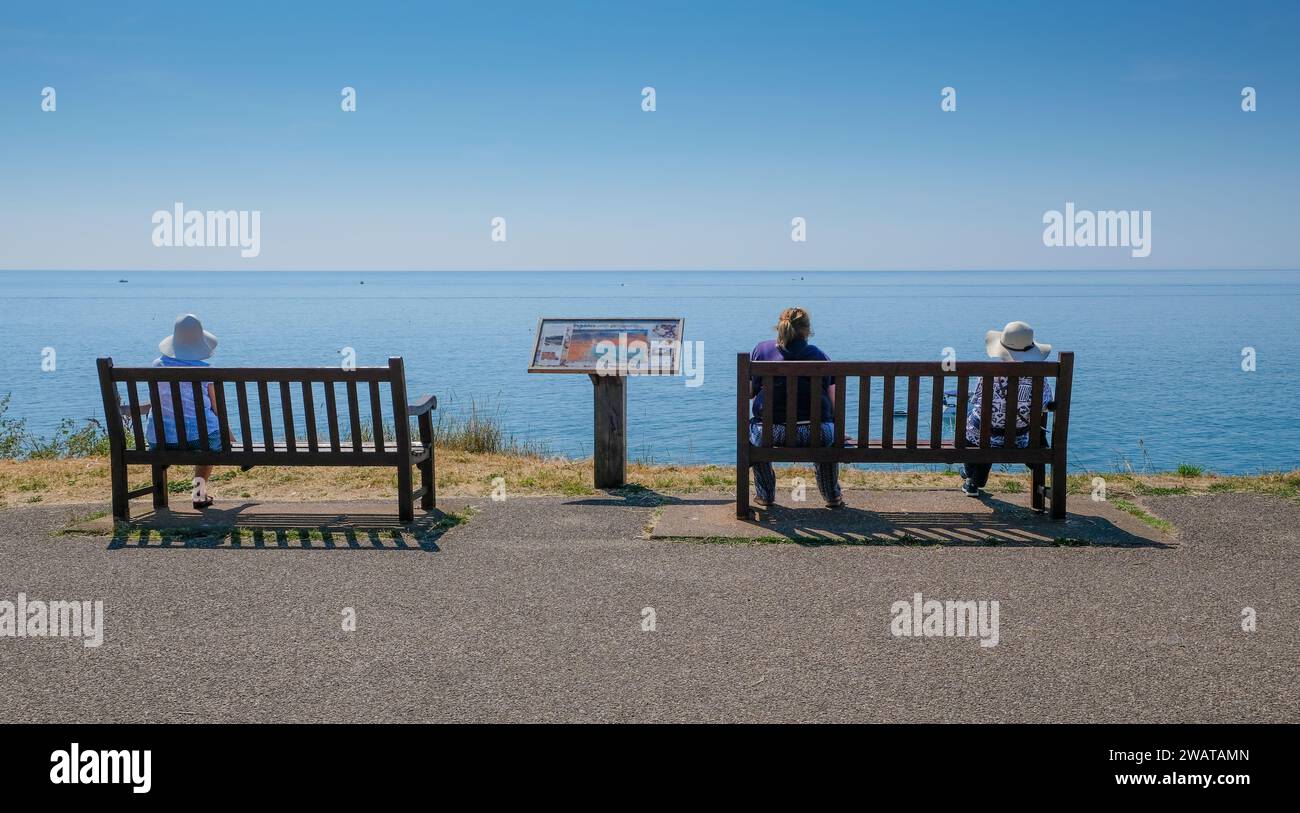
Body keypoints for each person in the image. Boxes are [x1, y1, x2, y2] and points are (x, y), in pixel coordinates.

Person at [748, 307, 844, 509]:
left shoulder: (761, 350)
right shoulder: (820, 356)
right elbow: (834, 405)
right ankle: (832, 495)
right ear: (807, 330)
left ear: (779, 327)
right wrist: (835, 430)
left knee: (754, 432)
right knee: (825, 436)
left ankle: (765, 494)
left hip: (771, 433)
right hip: (817, 433)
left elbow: (749, 392)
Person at [145, 314, 236, 509]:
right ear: (200, 344)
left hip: (159, 439)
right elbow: (216, 407)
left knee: (204, 439)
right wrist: (229, 435)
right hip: (198, 438)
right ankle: (198, 494)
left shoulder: (157, 366)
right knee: (208, 447)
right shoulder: (205, 370)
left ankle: (162, 496)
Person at [961, 321, 1054, 497]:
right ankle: (973, 480)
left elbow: (977, 401)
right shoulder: (1039, 378)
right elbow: (1045, 406)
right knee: (1035, 434)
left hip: (982, 439)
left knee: (976, 426)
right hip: (1020, 439)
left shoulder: (988, 374)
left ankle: (972, 479)